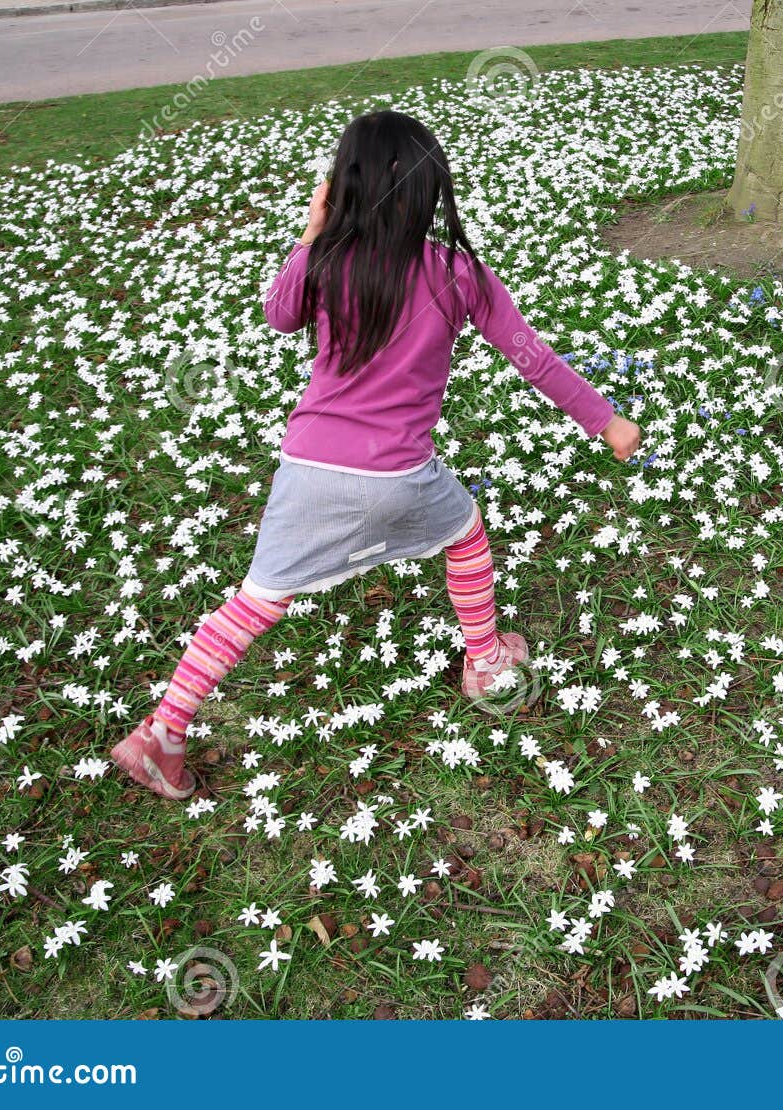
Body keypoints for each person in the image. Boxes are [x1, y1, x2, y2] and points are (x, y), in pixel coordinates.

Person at [111, 110, 641, 799]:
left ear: (344, 188)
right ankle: (484, 659)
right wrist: (604, 420)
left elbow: (278, 312)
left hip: (308, 468)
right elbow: (530, 357)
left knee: (254, 601)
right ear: (428, 192)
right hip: (397, 471)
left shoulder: (328, 263)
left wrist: (313, 231)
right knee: (465, 535)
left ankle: (165, 728)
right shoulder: (457, 273)